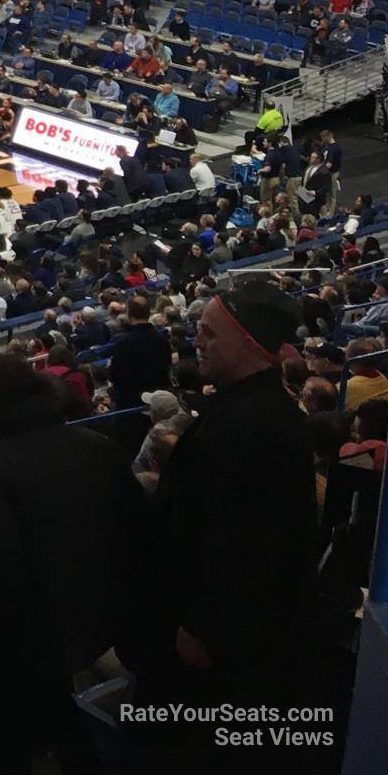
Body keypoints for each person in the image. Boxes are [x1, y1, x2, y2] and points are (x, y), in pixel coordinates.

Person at [0, 351, 148, 775]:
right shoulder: (97, 446)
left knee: (38, 744)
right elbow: (139, 533)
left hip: (39, 642)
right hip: (117, 621)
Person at [131, 280, 322, 744]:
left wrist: (203, 627)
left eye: (209, 333)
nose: (196, 342)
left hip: (218, 643)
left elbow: (251, 542)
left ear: (250, 342)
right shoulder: (245, 408)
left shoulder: (261, 424)